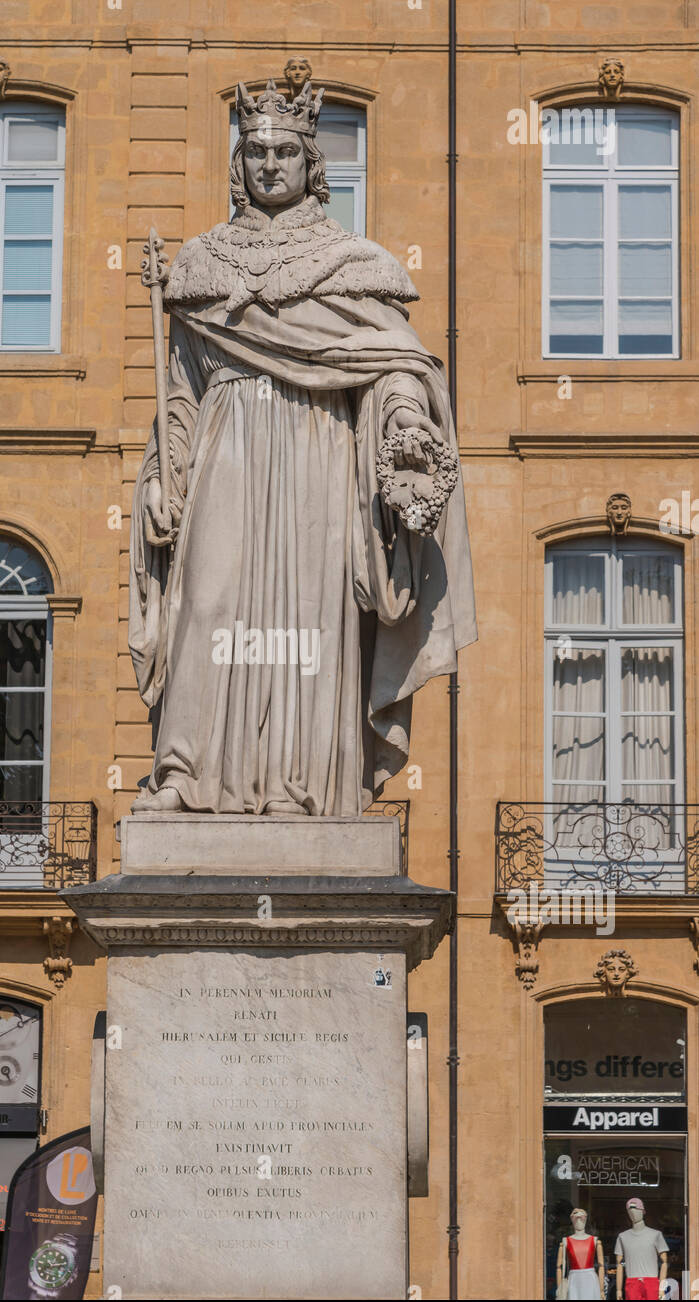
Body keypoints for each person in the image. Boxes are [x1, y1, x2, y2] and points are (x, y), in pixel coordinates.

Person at [130, 77, 475, 816]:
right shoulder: (197, 267)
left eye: (286, 150)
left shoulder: (355, 263)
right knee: (207, 605)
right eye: (254, 151)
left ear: (311, 162)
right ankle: (186, 775)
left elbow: (395, 366)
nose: (269, 165)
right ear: (238, 163)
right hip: (226, 457)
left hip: (318, 456)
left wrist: (406, 430)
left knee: (307, 619)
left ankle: (304, 784)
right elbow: (181, 392)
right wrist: (166, 475)